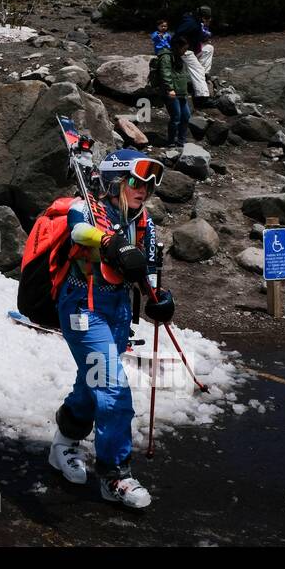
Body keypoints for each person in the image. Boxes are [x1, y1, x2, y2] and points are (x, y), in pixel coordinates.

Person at [48, 149, 164, 509]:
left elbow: (150, 270)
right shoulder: (86, 208)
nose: (143, 190)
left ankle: (64, 442)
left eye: (149, 185)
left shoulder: (144, 223)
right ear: (115, 183)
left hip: (117, 311)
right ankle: (115, 476)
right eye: (136, 182)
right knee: (112, 387)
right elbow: (78, 231)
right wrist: (109, 241)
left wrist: (160, 298)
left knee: (92, 382)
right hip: (83, 308)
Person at [174, 6, 214, 104]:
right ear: (203, 17)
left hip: (192, 48)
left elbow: (199, 36)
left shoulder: (195, 22)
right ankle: (202, 97)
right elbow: (177, 35)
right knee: (198, 69)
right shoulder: (190, 23)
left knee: (208, 48)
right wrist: (182, 46)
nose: (209, 19)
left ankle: (204, 75)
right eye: (207, 17)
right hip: (184, 50)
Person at [158, 35, 192, 147]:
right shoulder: (166, 57)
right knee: (176, 117)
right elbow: (165, 73)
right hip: (172, 92)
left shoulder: (179, 57)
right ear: (177, 46)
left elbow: (182, 74)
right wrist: (170, 89)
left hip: (181, 92)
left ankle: (181, 141)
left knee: (186, 116)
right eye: (184, 49)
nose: (185, 52)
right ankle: (171, 141)